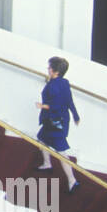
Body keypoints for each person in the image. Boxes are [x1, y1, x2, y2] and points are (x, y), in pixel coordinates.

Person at [35, 57, 81, 193]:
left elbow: (56, 105)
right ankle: (47, 163)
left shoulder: (53, 85)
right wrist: (76, 115)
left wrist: (42, 105)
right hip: (61, 121)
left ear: (55, 71)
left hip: (54, 123)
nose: (48, 69)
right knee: (41, 138)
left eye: (49, 68)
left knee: (61, 152)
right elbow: (69, 101)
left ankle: (72, 180)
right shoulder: (64, 82)